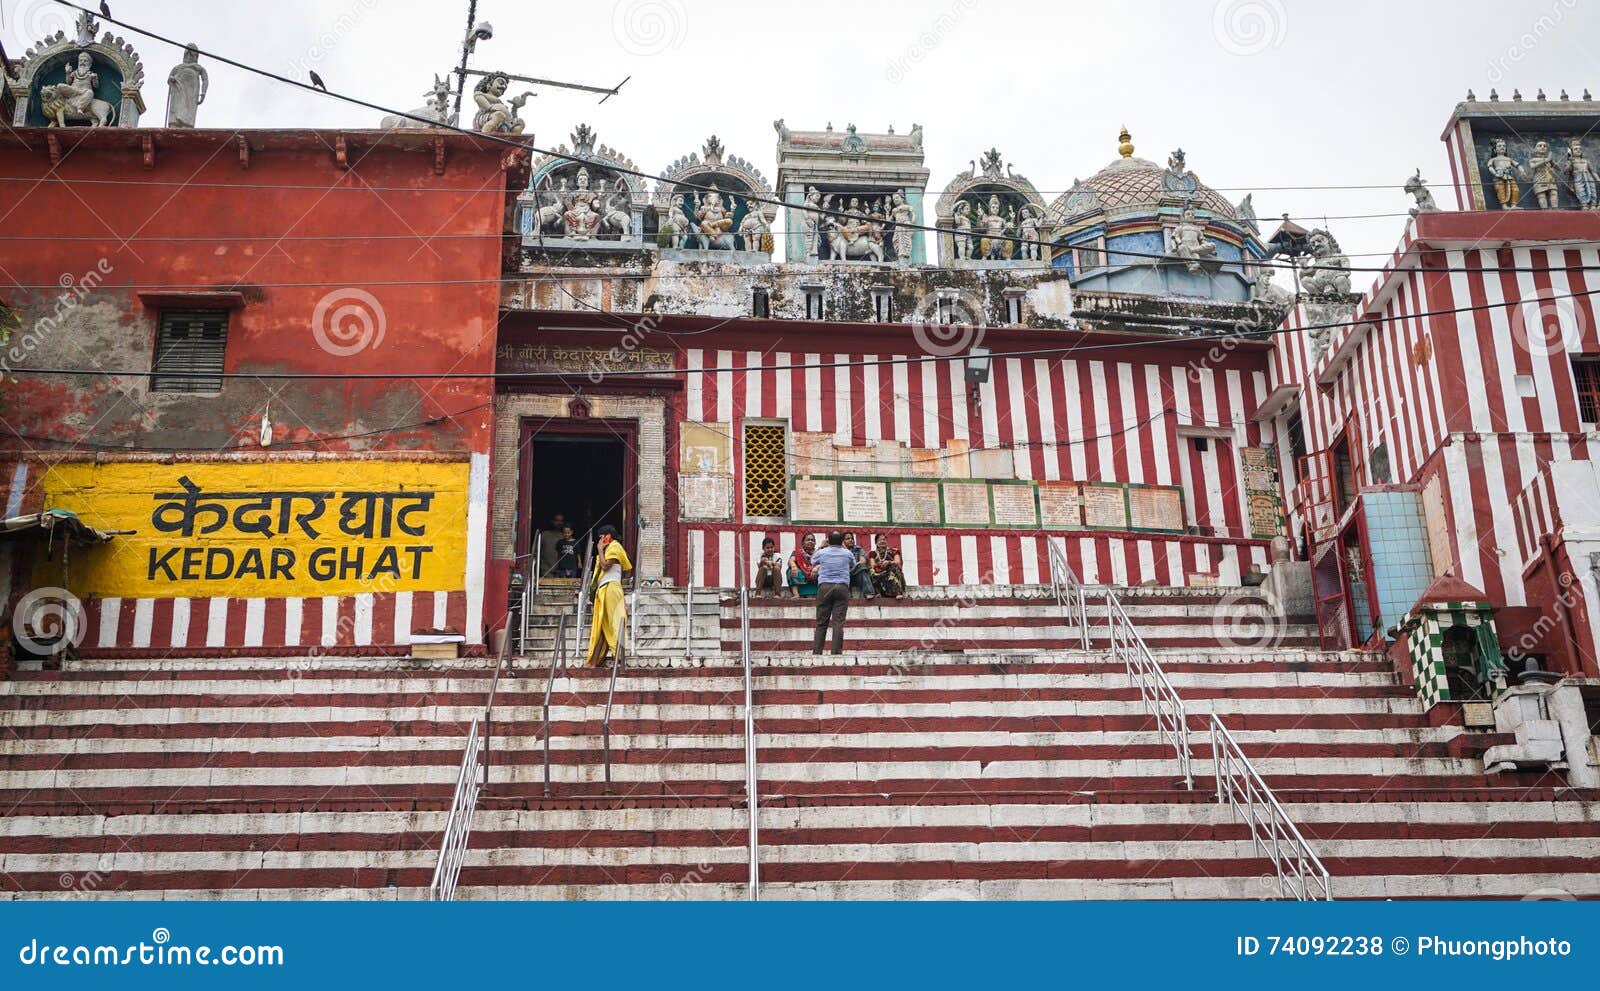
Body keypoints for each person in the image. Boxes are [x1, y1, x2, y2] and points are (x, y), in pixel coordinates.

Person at [585, 525, 632, 667]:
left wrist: (599, 549)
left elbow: (605, 566)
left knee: (614, 622)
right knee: (602, 625)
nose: (600, 540)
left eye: (601, 536)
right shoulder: (608, 549)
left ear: (608, 536)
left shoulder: (615, 547)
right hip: (604, 589)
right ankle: (595, 660)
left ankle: (617, 656)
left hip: (611, 588)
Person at [810, 532, 857, 656]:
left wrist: (821, 546)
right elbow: (853, 564)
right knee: (838, 622)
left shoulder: (822, 552)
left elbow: (812, 560)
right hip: (842, 587)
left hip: (825, 587)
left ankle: (817, 651)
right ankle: (836, 652)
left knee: (821, 622)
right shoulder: (847, 553)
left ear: (828, 541)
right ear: (842, 541)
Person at [870, 534, 906, 599]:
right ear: (876, 543)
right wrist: (878, 564)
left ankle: (898, 592)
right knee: (871, 570)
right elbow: (872, 564)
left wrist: (889, 562)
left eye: (884, 539)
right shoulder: (873, 553)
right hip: (879, 572)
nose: (882, 541)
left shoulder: (894, 551)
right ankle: (878, 592)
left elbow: (898, 562)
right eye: (880, 540)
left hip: (891, 572)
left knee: (895, 567)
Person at [843, 533, 876, 600]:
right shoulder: (840, 550)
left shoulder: (858, 549)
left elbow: (862, 561)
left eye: (852, 538)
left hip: (856, 574)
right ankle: (846, 594)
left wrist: (853, 568)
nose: (851, 540)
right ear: (843, 541)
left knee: (862, 567)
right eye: (848, 539)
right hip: (844, 575)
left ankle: (869, 592)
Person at [787, 534, 820, 598]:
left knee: (824, 571)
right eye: (808, 540)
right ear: (803, 543)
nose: (810, 541)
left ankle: (821, 593)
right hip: (802, 575)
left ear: (815, 543)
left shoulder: (819, 553)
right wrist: (793, 566)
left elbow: (825, 563)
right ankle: (796, 594)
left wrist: (817, 567)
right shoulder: (798, 552)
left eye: (812, 540)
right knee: (790, 571)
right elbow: (791, 560)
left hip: (815, 574)